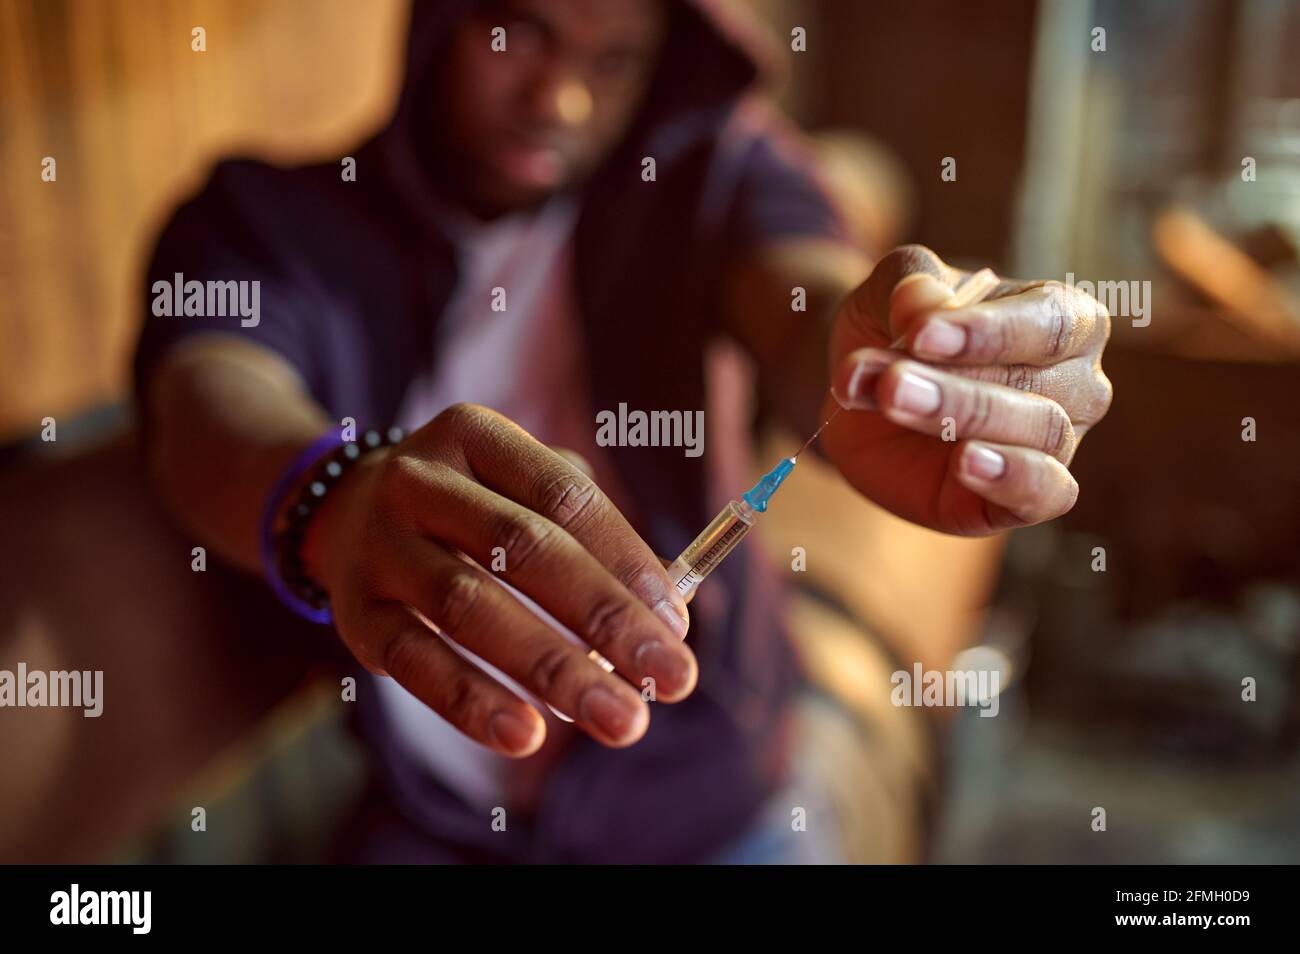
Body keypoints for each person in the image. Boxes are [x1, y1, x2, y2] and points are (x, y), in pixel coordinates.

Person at [134, 0, 1112, 863]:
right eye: (518, 32)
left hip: (721, 815)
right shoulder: (271, 224)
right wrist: (338, 501)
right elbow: (208, 403)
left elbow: (801, 295)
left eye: (613, 61)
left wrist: (893, 357)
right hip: (434, 823)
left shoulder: (713, 175)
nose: (557, 101)